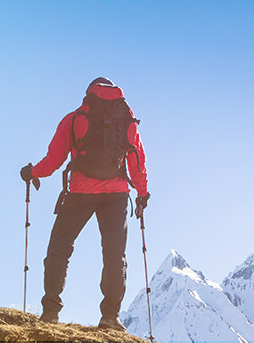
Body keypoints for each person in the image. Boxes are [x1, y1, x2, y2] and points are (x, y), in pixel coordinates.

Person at [19, 77, 150, 331]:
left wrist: (32, 172)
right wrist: (142, 195)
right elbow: (137, 161)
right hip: (116, 194)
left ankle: (50, 311)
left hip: (81, 191)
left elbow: (53, 159)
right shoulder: (126, 120)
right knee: (114, 254)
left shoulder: (75, 118)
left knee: (60, 246)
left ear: (88, 94)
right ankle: (110, 316)